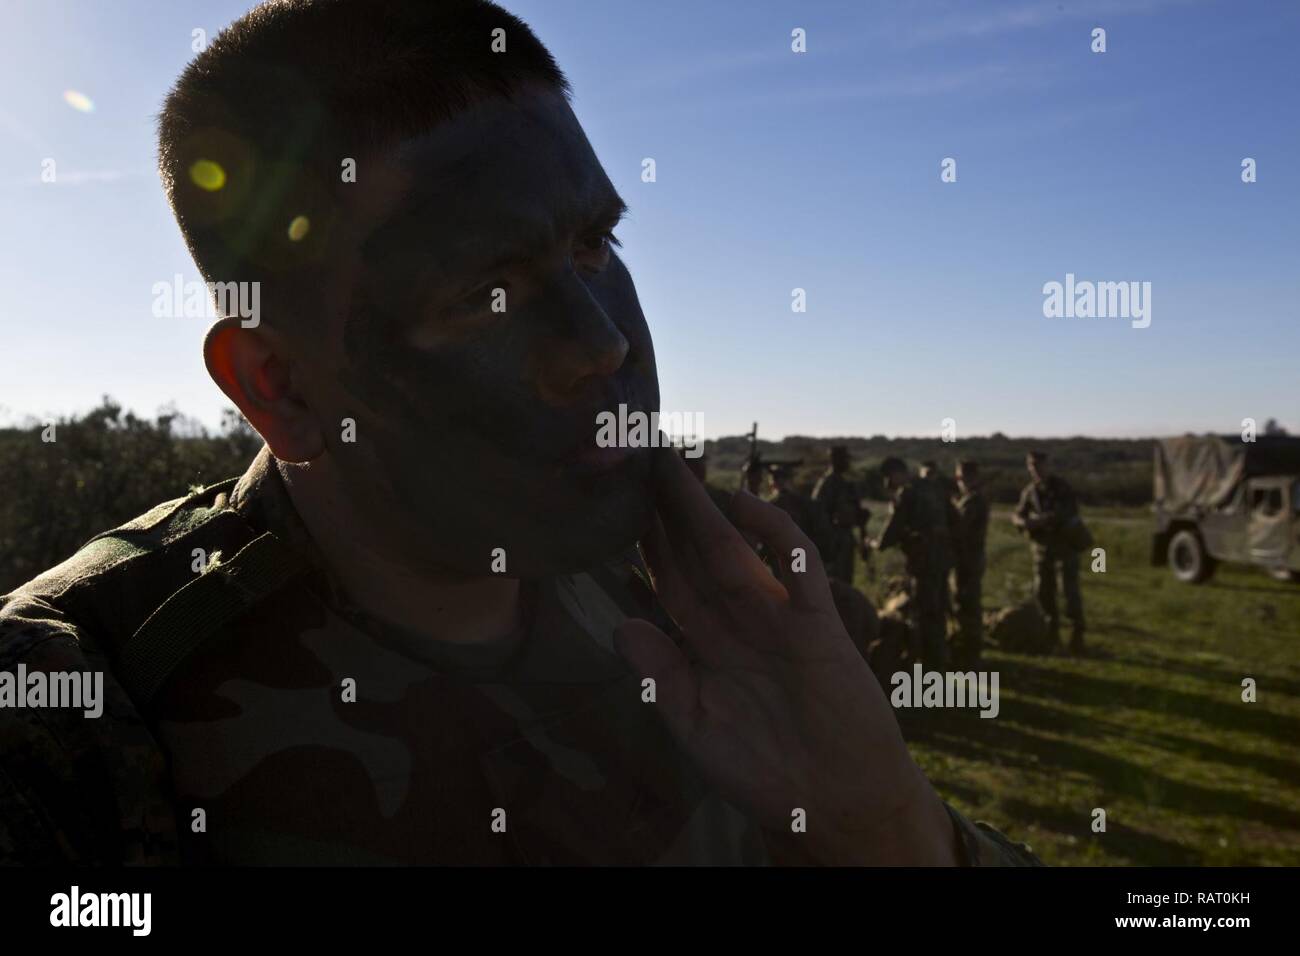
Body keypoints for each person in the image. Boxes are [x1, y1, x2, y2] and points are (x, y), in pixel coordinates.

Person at [0, 0, 1035, 866]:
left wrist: (882, 821)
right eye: (479, 293)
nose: (600, 343)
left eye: (595, 244)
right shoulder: (73, 713)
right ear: (279, 386)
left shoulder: (691, 615)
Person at [867, 457, 954, 670]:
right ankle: (940, 658)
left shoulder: (908, 493)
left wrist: (875, 544)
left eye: (888, 477)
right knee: (938, 609)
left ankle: (925, 662)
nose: (887, 483)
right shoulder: (934, 488)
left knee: (922, 611)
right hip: (942, 559)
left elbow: (892, 530)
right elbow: (954, 520)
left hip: (923, 562)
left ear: (897, 473)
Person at [1012, 451, 1086, 654]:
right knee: (1043, 592)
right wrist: (1023, 522)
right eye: (1032, 465)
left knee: (1069, 592)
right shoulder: (1030, 491)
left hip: (1065, 548)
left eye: (1039, 465)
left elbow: (1067, 512)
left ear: (1048, 465)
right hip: (1042, 549)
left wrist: (1041, 520)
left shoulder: (1062, 488)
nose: (1036, 469)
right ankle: (1051, 633)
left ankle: (1077, 634)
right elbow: (1018, 514)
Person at [951, 460, 990, 668]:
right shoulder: (971, 499)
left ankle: (971, 654)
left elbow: (959, 528)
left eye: (960, 477)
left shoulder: (973, 501)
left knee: (968, 606)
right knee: (966, 604)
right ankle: (969, 650)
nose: (958, 481)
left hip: (968, 561)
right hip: (969, 560)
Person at [812, 446, 868, 584]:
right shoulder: (827, 484)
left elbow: (857, 515)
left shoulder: (846, 485)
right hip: (833, 542)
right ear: (835, 460)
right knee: (834, 582)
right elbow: (818, 515)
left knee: (846, 580)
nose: (847, 463)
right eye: (844, 459)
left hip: (845, 540)